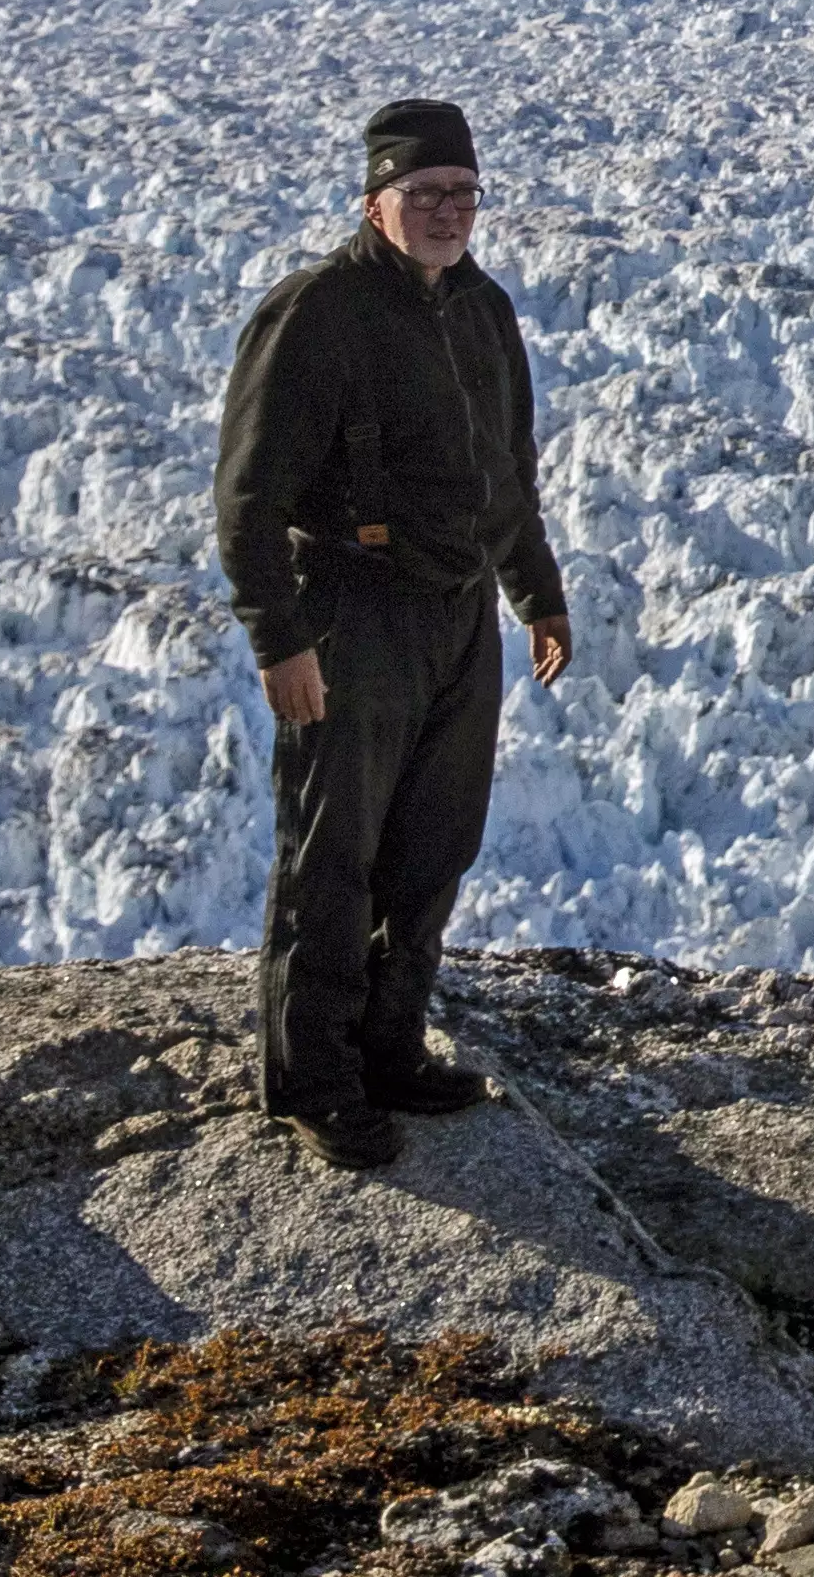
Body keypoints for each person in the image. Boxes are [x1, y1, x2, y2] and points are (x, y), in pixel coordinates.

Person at [210, 95, 576, 1169]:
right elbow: (247, 496)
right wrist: (280, 637)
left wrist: (535, 590)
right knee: (335, 849)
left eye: (463, 192)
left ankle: (391, 1047)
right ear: (375, 201)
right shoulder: (316, 312)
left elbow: (504, 469)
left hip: (458, 610)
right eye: (425, 194)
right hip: (352, 608)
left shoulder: (481, 309)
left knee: (430, 842)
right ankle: (312, 1077)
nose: (448, 211)